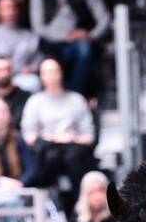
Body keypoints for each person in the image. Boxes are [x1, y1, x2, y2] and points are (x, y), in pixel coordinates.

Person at [30, 0, 109, 96]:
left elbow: (105, 18)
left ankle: (75, 96)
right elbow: (38, 28)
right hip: (50, 45)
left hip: (78, 43)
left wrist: (90, 35)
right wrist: (66, 37)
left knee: (84, 48)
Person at [19, 57, 96, 209]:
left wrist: (72, 138)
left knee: (72, 157)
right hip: (47, 150)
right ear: (41, 76)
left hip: (74, 148)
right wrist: (53, 138)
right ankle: (50, 203)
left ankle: (78, 204)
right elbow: (28, 136)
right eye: (47, 72)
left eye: (55, 71)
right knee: (51, 157)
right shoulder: (35, 101)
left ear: (61, 73)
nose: (51, 76)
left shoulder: (76, 100)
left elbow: (89, 136)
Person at [0, 0, 41, 91]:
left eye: (13, 7)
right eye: (5, 8)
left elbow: (38, 61)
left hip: (21, 79)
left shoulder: (30, 36)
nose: (10, 12)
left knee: (33, 82)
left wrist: (31, 68)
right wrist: (2, 72)